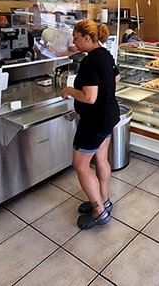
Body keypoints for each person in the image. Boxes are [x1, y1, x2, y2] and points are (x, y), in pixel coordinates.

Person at [61, 20, 120, 229]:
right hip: (109, 114)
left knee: (81, 165)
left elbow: (89, 97)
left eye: (76, 38)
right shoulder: (105, 55)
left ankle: (99, 212)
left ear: (87, 38)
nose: (74, 42)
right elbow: (117, 78)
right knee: (101, 159)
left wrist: (69, 91)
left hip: (94, 120)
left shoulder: (89, 62)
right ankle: (104, 200)